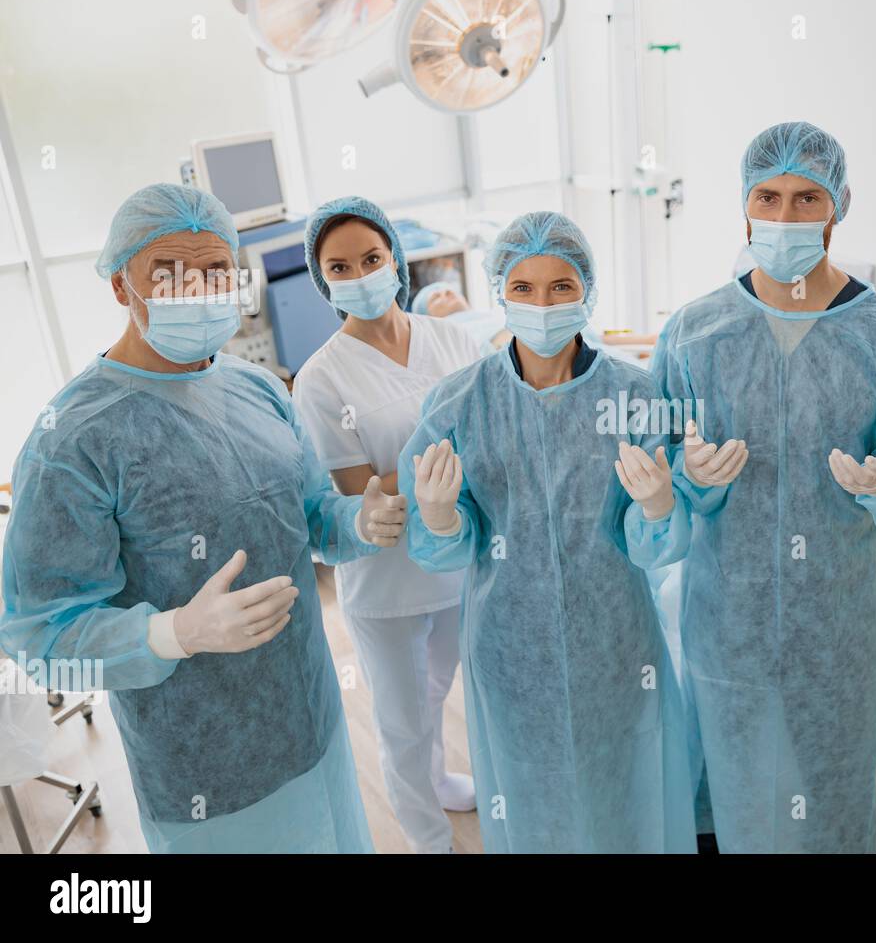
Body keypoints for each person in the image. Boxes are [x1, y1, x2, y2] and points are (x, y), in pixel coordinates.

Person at [0, 184, 405, 852]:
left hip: (313, 722)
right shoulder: (74, 440)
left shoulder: (258, 389)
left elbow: (310, 517)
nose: (196, 287)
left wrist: (362, 521)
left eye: (215, 269)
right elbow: (38, 636)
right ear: (120, 286)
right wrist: (171, 633)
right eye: (169, 272)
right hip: (208, 772)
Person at [652, 121, 876, 853]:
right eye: (769, 197)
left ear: (839, 206)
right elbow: (657, 467)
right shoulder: (695, 333)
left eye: (807, 198)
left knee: (830, 784)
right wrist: (687, 479)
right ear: (744, 207)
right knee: (729, 777)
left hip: (838, 617)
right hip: (726, 613)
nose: (786, 217)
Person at [397, 211, 712, 853]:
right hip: (510, 654)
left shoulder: (634, 395)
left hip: (618, 647)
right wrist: (437, 517)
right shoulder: (458, 404)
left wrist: (657, 507)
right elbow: (442, 546)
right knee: (533, 802)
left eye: (561, 287)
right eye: (524, 288)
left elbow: (660, 546)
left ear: (588, 292)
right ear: (501, 293)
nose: (542, 303)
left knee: (628, 791)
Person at [293, 197, 482, 854]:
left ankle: (439, 778)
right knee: (401, 722)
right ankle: (429, 839)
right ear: (324, 282)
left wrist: (436, 467)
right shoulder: (321, 379)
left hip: (459, 560)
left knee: (440, 688)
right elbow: (360, 494)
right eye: (340, 267)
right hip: (385, 582)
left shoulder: (452, 340)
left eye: (371, 258)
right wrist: (454, 458)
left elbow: (495, 431)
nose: (360, 274)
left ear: (395, 260)